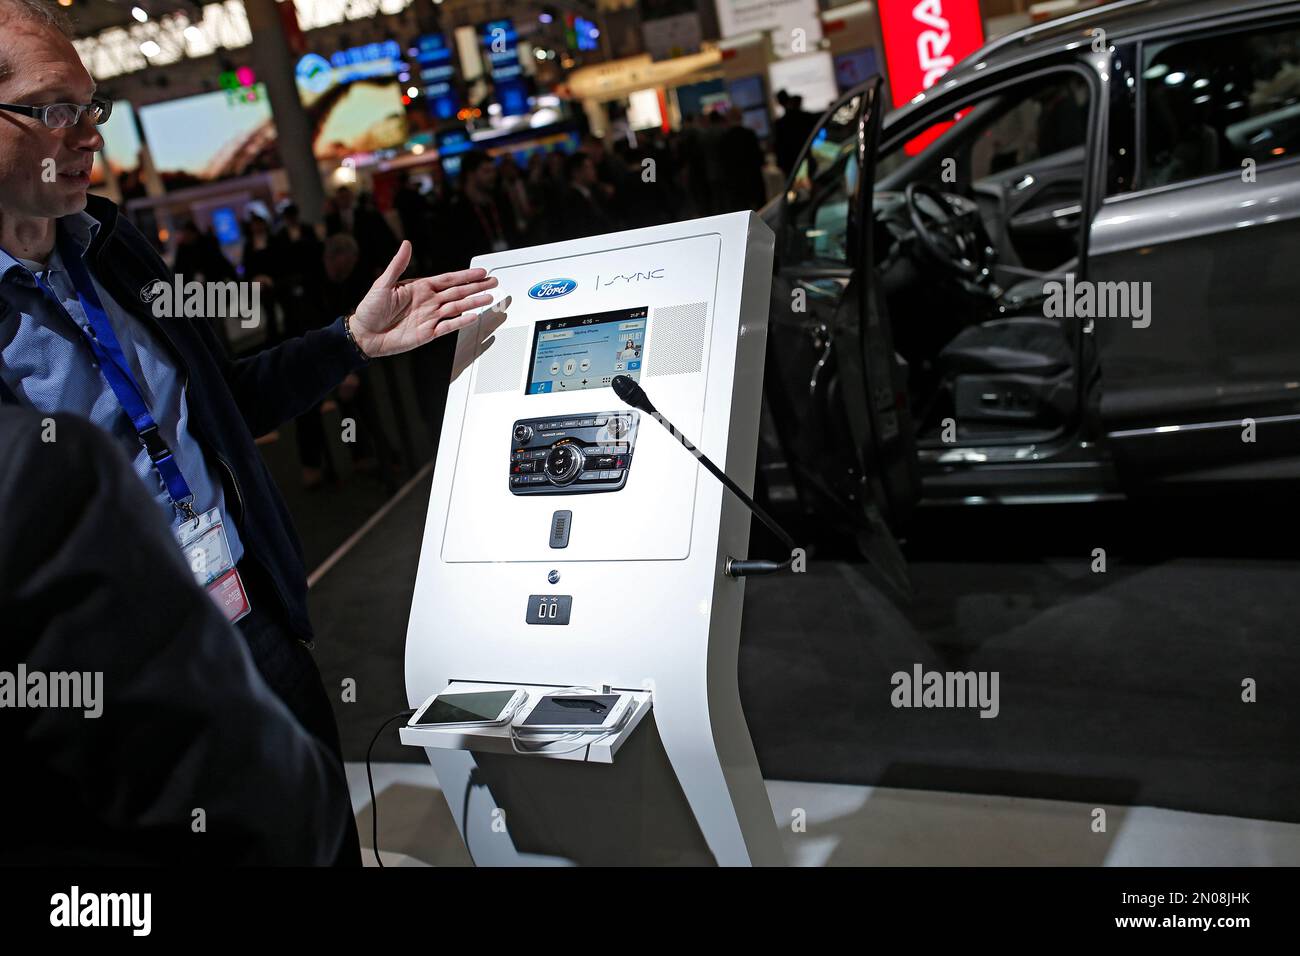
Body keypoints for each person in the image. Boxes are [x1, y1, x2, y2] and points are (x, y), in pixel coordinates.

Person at [0, 0, 501, 865]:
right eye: (53, 108)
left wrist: (350, 339)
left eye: (91, 108)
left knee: (326, 844)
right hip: (125, 696)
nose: (87, 134)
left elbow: (221, 406)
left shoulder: (116, 247)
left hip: (254, 627)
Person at [0, 407, 352, 864]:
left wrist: (344, 342)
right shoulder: (34, 465)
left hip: (243, 595)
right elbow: (273, 812)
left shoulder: (152, 334)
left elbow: (231, 399)